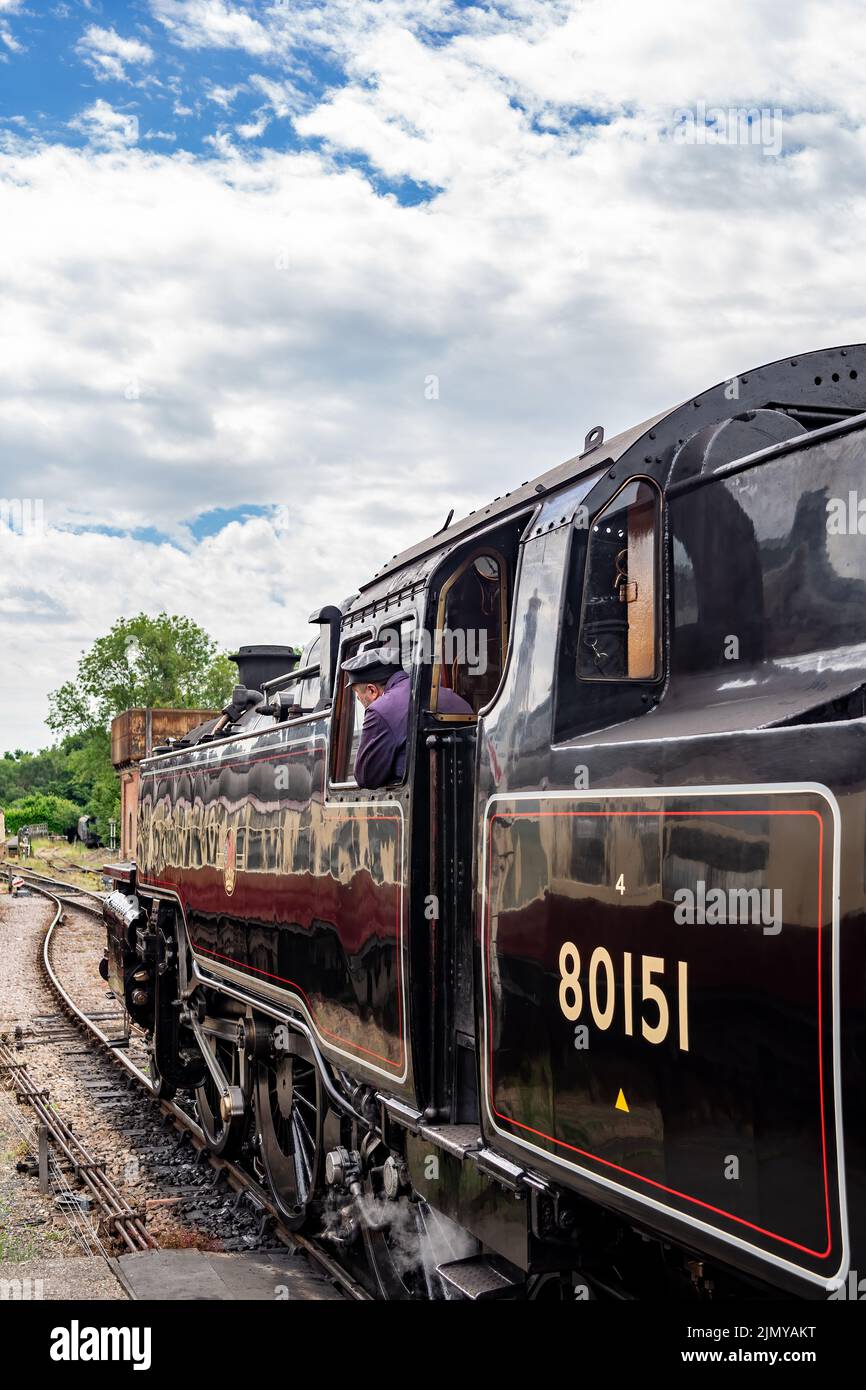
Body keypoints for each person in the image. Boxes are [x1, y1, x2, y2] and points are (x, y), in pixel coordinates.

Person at [341, 647, 473, 789]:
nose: (358, 698)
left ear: (372, 690)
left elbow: (366, 778)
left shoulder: (379, 711)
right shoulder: (456, 699)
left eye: (357, 693)